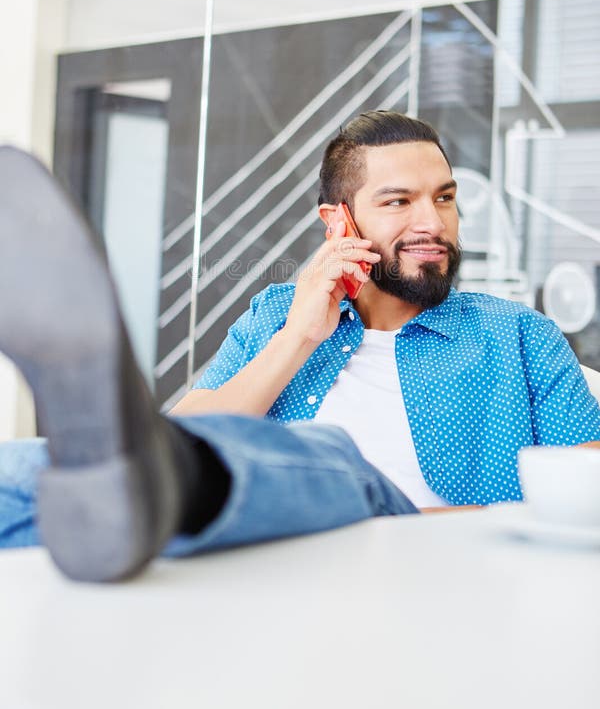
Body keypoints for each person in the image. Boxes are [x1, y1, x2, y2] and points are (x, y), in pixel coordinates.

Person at [0, 112, 598, 584]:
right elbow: (178, 440)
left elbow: (590, 496)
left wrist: (388, 530)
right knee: (22, 473)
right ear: (338, 222)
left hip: (414, 555)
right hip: (254, 550)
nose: (434, 223)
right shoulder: (277, 317)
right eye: (398, 202)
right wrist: (299, 336)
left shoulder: (518, 335)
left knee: (333, 458)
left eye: (444, 198)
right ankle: (116, 504)